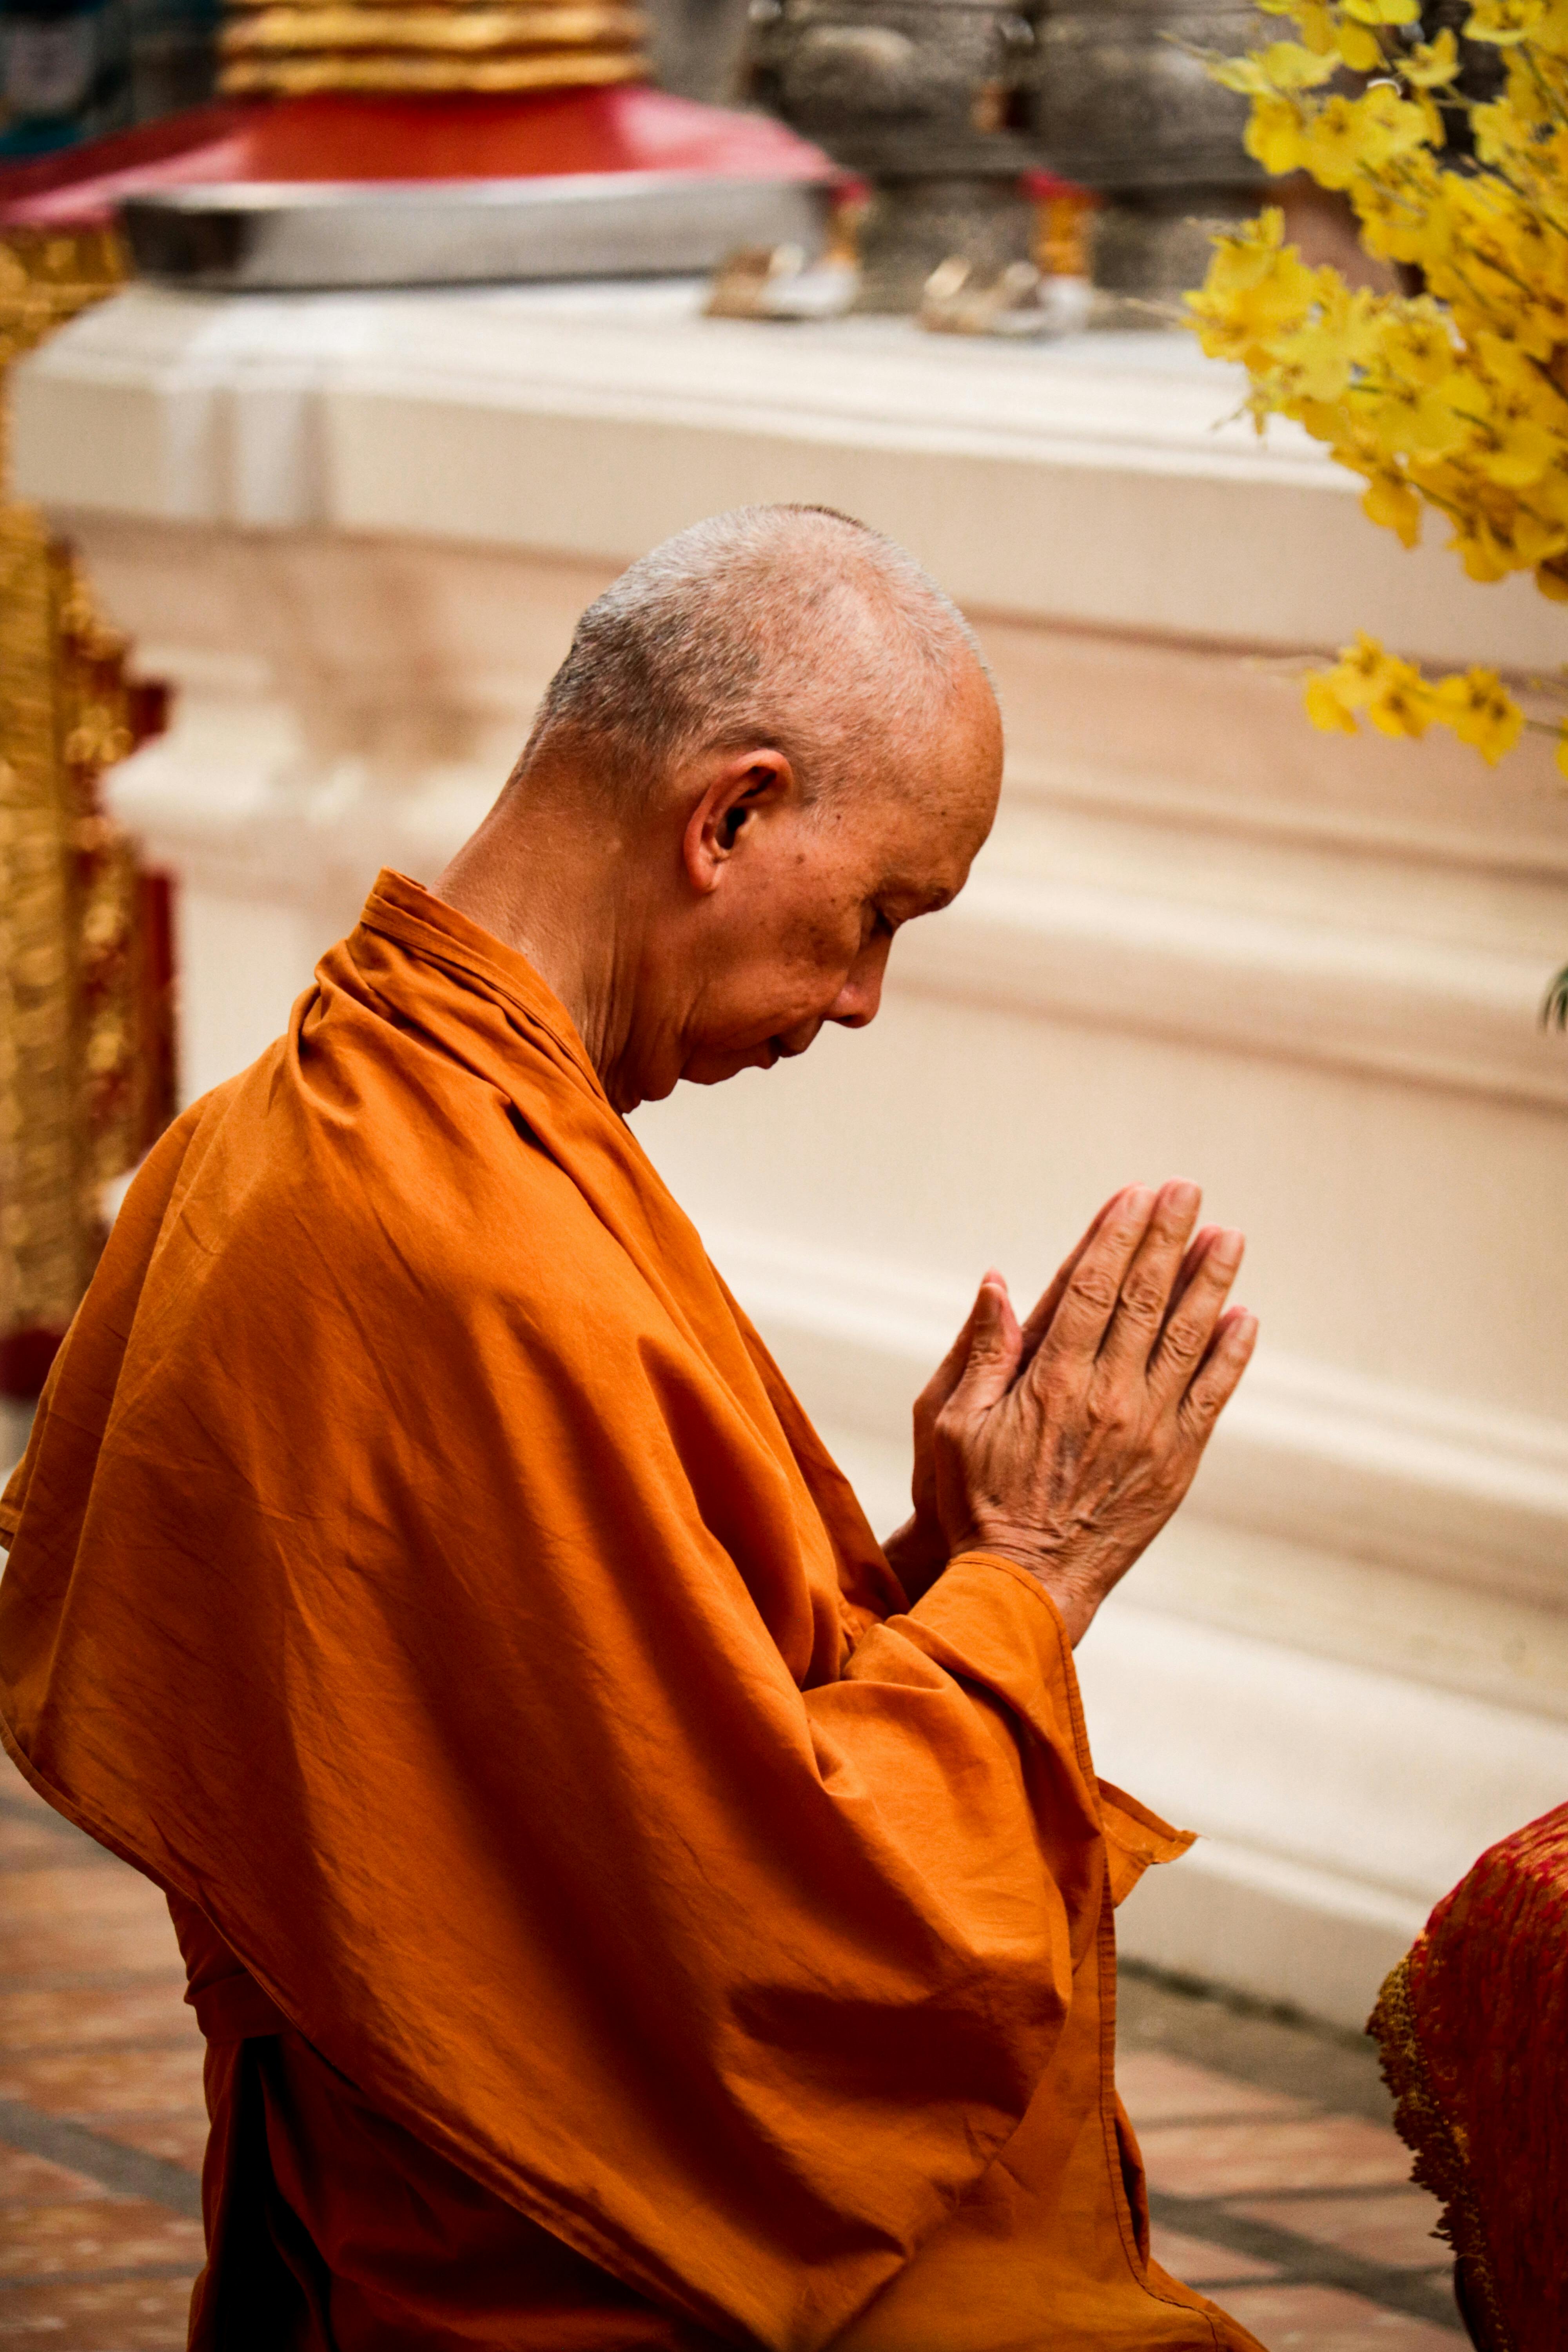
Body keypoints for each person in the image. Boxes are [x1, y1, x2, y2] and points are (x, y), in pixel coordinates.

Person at [0, 505, 1263, 2351]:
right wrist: (1026, 1579)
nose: (858, 999)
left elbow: (597, 1741)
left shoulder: (276, 1137)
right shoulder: (459, 1239)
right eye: (878, 915)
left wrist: (912, 1577)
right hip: (596, 2261)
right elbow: (751, 1946)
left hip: (478, 2183)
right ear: (730, 816)